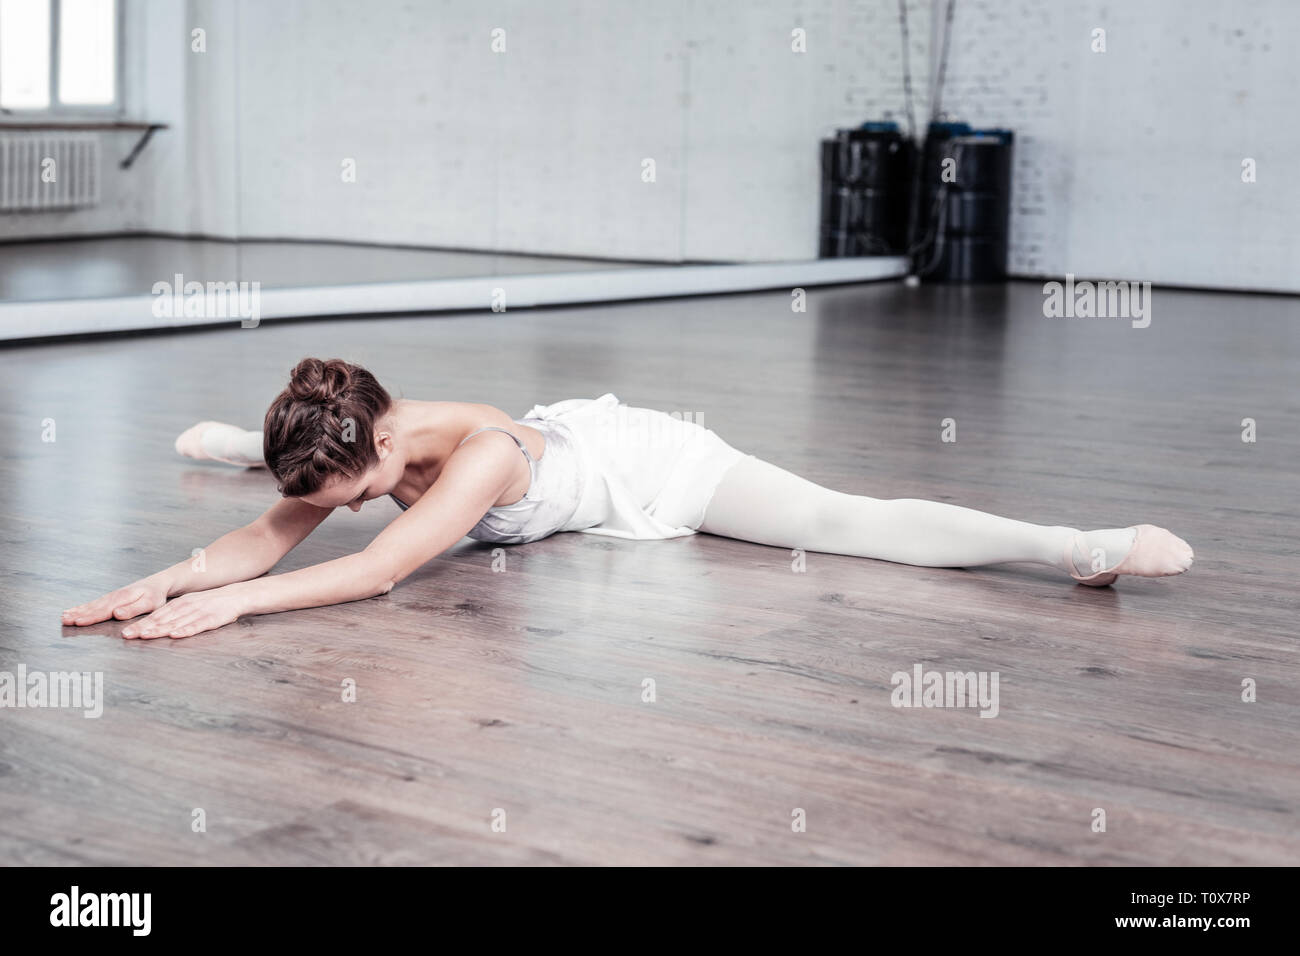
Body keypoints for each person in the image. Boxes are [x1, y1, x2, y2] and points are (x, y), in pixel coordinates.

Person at [62, 357, 1194, 639]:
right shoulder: (353, 433)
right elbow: (271, 531)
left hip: (645, 465)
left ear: (389, 437)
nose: (339, 505)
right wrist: (170, 575)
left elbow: (376, 570)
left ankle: (1075, 544)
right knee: (276, 490)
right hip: (567, 454)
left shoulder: (480, 457)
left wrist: (241, 608)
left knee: (854, 522)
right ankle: (223, 437)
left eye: (351, 488)